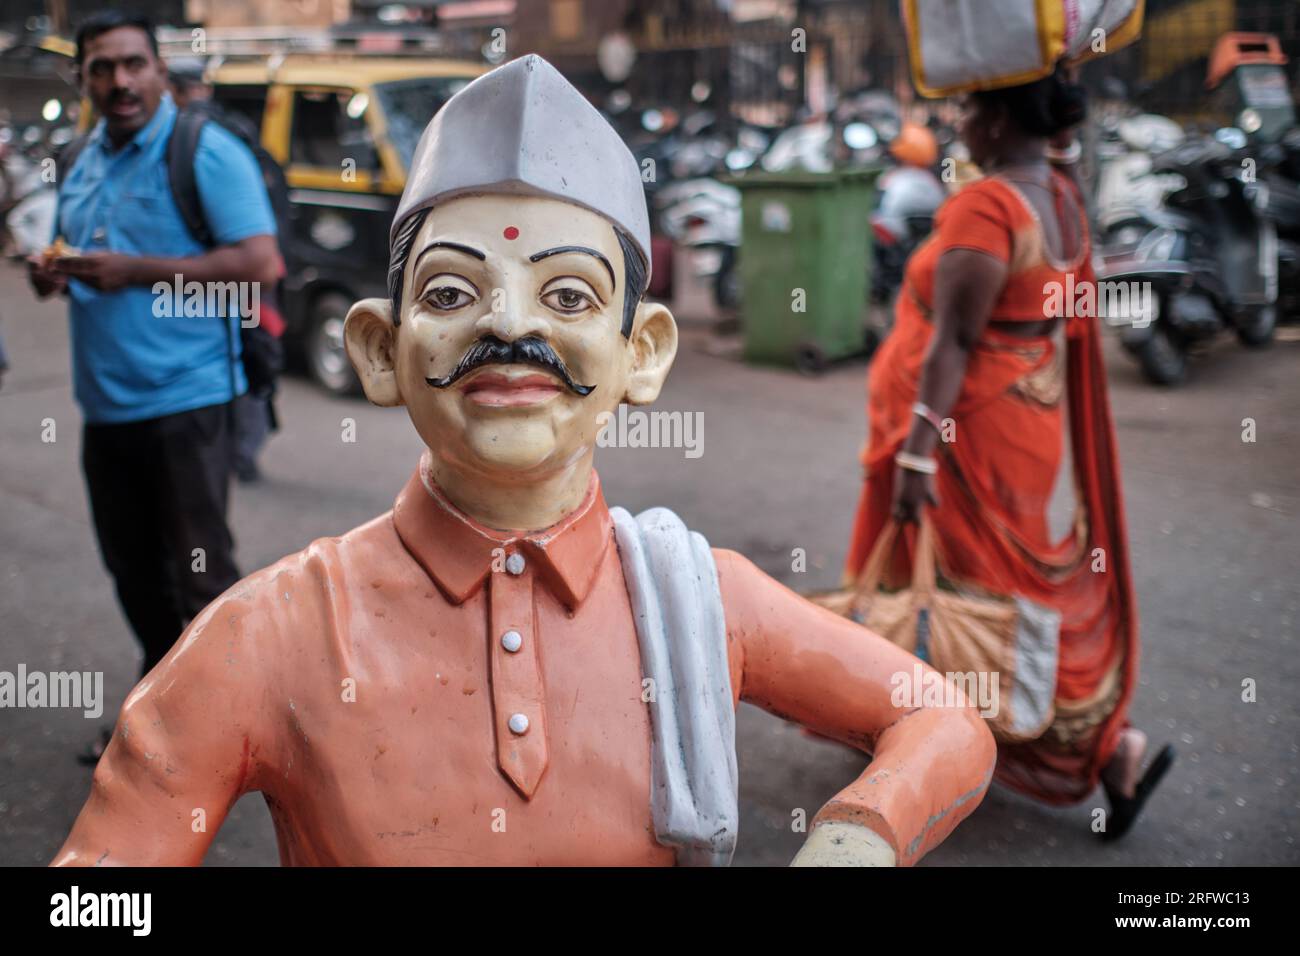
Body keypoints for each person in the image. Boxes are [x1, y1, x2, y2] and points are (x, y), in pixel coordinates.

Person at [52, 55, 996, 868]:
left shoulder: (703, 602)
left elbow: (941, 719)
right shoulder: (270, 637)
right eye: (455, 289)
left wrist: (857, 833)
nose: (510, 325)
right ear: (381, 351)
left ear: (644, 353)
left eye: (571, 296)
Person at [843, 66, 1173, 840]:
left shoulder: (987, 205)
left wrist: (919, 456)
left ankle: (1106, 746)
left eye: (967, 108)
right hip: (1025, 417)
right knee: (990, 591)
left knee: (978, 596)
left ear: (996, 119)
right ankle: (920, 729)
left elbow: (955, 340)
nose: (957, 121)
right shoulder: (1061, 194)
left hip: (966, 435)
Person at [26, 12, 278, 761]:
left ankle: (227, 740)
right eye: (101, 68)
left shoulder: (202, 151)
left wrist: (135, 272)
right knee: (133, 571)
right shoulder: (77, 159)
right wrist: (57, 275)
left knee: (201, 575)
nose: (120, 82)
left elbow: (259, 262)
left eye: (134, 64)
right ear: (83, 78)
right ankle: (171, 712)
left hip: (188, 402)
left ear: (161, 70)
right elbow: (87, 260)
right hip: (106, 408)